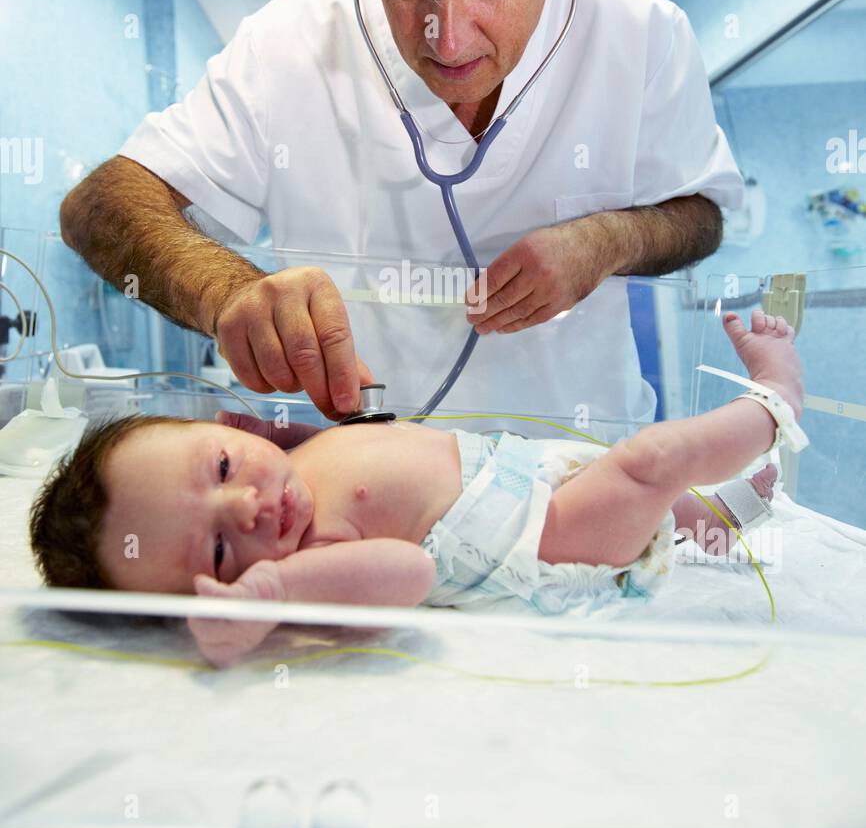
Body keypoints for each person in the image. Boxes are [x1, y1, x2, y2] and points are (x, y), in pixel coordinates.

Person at [58, 0, 744, 436]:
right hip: (362, 482)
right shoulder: (295, 36)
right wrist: (228, 292)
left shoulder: (639, 30)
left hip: (574, 470)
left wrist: (608, 241)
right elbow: (98, 205)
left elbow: (700, 214)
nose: (446, 38)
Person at [29, 311, 799, 667]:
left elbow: (364, 446)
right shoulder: (315, 557)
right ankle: (775, 404)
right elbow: (412, 574)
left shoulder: (293, 465)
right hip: (553, 539)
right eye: (224, 548)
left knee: (654, 493)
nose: (252, 505)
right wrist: (277, 592)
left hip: (531, 477)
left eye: (223, 468)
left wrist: (288, 437)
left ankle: (712, 520)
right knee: (650, 460)